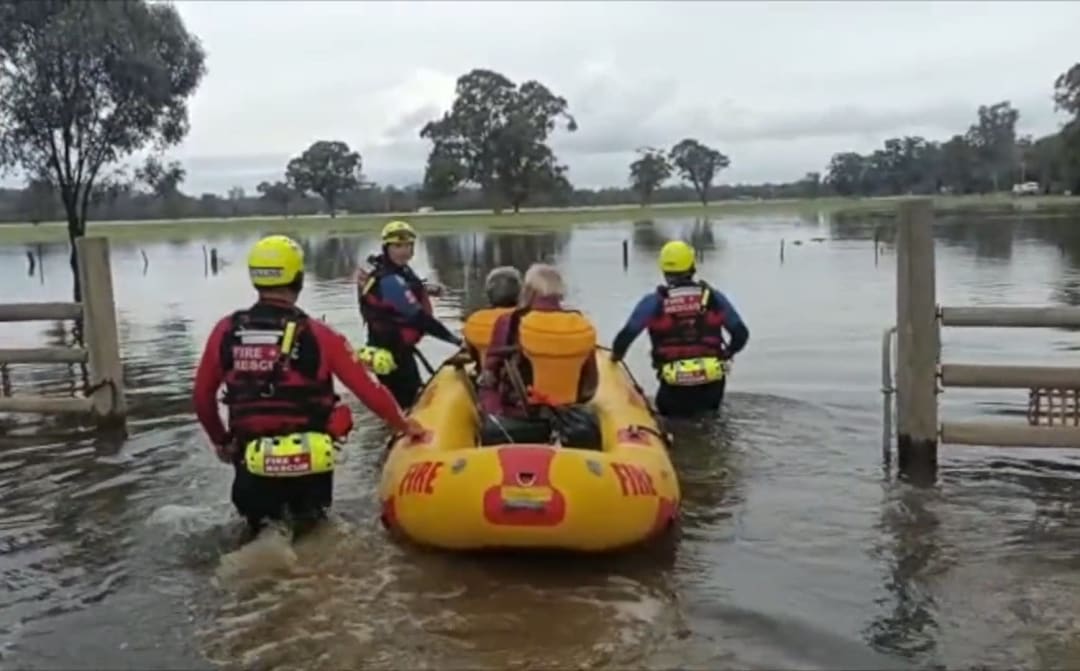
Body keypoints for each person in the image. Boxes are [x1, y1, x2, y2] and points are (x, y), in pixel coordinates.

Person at [193, 234, 425, 539]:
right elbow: (369, 391)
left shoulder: (225, 330)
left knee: (261, 532)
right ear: (299, 278)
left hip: (251, 456)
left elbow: (201, 398)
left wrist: (221, 441)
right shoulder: (320, 334)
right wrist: (405, 425)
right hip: (309, 462)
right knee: (312, 533)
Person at [609, 240, 749, 417]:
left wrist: (615, 358)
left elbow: (626, 336)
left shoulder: (654, 302)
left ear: (664, 270)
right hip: (712, 383)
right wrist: (727, 354)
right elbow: (741, 334)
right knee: (710, 423)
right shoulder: (714, 298)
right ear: (692, 266)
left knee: (675, 425)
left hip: (674, 386)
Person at [478, 263, 601, 447]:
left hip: (519, 417)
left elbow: (490, 374)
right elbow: (590, 384)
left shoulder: (508, 322)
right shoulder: (579, 325)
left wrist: (490, 412)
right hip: (568, 421)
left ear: (528, 290)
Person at [356, 220, 463, 408]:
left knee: (408, 399)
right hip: (391, 356)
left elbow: (404, 290)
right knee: (407, 405)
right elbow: (419, 319)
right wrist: (457, 341)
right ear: (386, 247)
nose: (404, 251)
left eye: (408, 245)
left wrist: (425, 289)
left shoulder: (397, 270)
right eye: (398, 246)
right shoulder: (389, 279)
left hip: (397, 349)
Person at [462, 266, 523, 363]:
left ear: (488, 293)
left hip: (487, 374)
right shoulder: (529, 319)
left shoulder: (474, 320)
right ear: (519, 293)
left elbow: (472, 355)